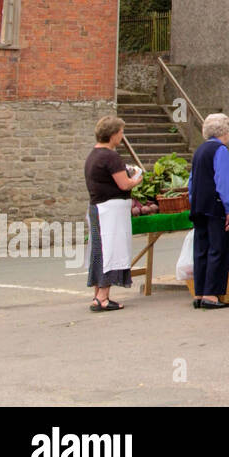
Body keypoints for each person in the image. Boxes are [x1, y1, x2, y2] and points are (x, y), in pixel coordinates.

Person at [84, 116, 143, 312]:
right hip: (110, 210)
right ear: (112, 135)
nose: (122, 136)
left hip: (99, 208)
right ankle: (103, 297)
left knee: (100, 251)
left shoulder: (94, 154)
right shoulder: (110, 157)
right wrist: (137, 178)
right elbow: (124, 184)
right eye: (120, 132)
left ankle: (97, 295)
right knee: (110, 251)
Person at [187, 113, 229, 310]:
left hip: (199, 205)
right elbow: (222, 181)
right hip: (215, 206)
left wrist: (194, 201)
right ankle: (211, 295)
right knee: (218, 249)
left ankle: (199, 292)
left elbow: (191, 182)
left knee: (201, 250)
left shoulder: (199, 150)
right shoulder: (220, 150)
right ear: (225, 131)